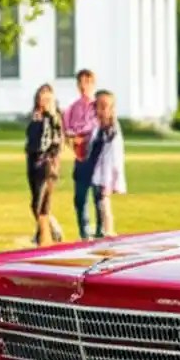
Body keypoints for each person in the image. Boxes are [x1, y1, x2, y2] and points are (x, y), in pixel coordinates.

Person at [81, 90, 126, 239]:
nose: (100, 110)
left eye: (104, 106)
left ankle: (109, 232)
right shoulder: (97, 127)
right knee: (98, 202)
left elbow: (116, 158)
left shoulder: (112, 131)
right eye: (98, 106)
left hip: (105, 176)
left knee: (104, 203)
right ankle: (102, 231)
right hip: (96, 174)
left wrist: (113, 182)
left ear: (112, 109)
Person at [63, 69, 101, 239]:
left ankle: (101, 229)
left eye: (88, 82)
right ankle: (84, 231)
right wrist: (72, 137)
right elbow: (67, 128)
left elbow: (96, 126)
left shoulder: (98, 106)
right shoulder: (72, 108)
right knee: (80, 197)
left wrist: (79, 134)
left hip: (97, 158)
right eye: (81, 82)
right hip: (80, 157)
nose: (84, 86)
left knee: (99, 197)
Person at [26, 84, 65, 246]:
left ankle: (50, 230)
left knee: (39, 203)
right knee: (38, 202)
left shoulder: (54, 118)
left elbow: (57, 142)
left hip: (47, 164)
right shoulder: (35, 116)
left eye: (47, 97)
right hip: (33, 161)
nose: (44, 100)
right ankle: (43, 231)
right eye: (41, 96)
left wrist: (52, 160)